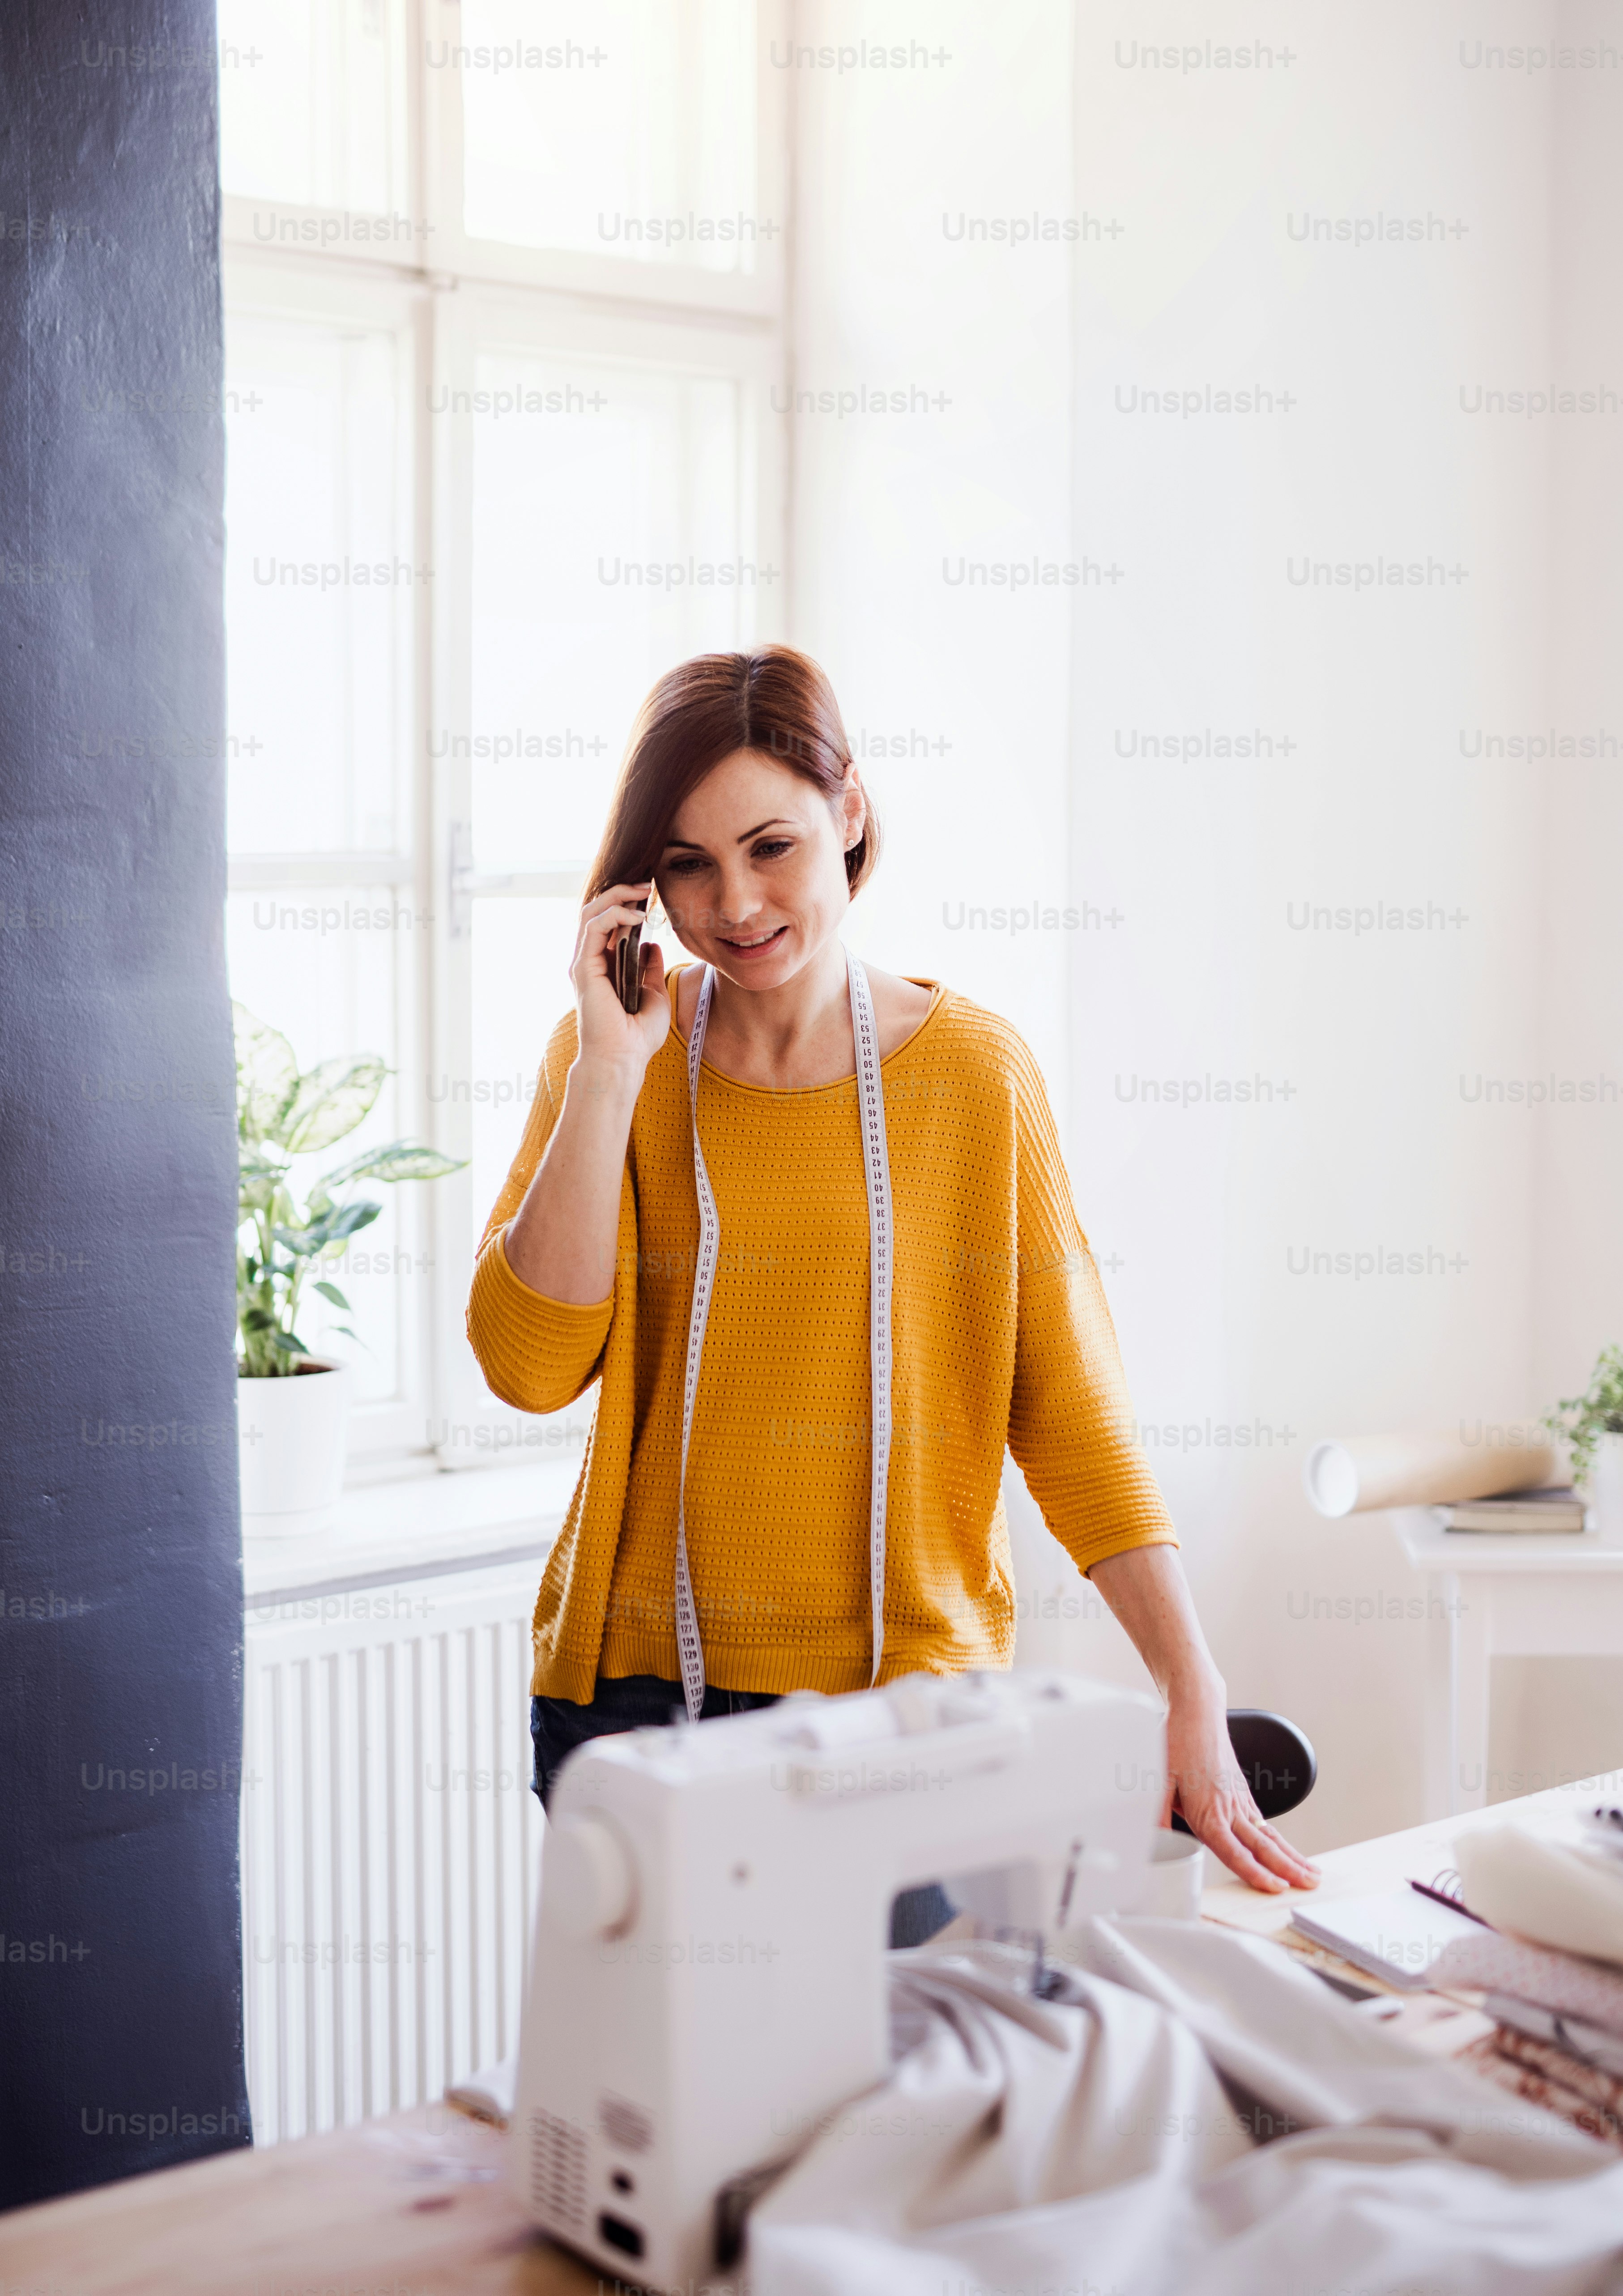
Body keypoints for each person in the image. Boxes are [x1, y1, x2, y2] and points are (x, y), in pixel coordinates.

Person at [467, 646, 1317, 1929]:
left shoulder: (972, 1079)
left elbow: (1070, 1414)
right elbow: (527, 1368)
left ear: (847, 811)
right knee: (681, 2115)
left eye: (770, 845)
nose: (734, 902)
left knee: (889, 2106)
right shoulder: (612, 1063)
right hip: (632, 1707)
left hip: (904, 1719)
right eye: (687, 863)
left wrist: (1187, 1687)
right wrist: (604, 1068)